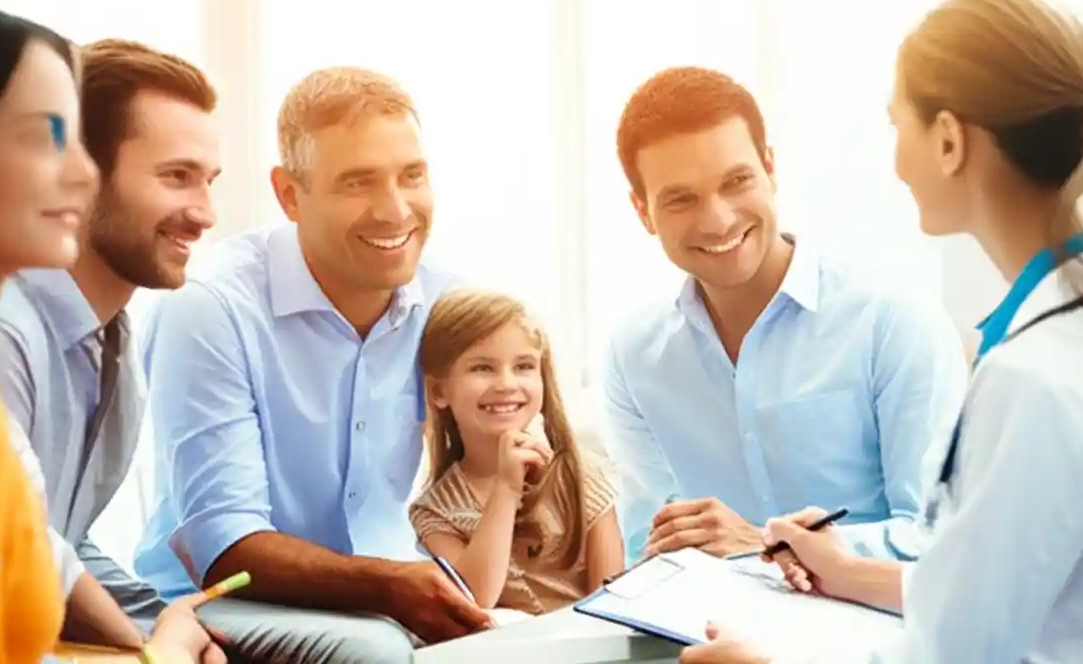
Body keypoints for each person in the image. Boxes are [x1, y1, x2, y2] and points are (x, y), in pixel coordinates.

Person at [681, 0, 1083, 664]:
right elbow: (1012, 588)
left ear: (947, 140)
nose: (895, 163)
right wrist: (850, 571)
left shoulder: (1037, 377)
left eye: (896, 127)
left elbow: (957, 652)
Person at [133, 66, 491, 662]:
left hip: (385, 594)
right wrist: (389, 586)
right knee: (375, 652)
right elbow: (225, 546)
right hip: (218, 603)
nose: (395, 210)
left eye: (412, 175)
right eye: (359, 182)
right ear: (290, 195)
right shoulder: (209, 310)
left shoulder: (448, 304)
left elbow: (506, 460)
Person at [0, 2, 210, 664]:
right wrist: (162, 655)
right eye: (44, 137)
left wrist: (153, 638)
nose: (84, 175)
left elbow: (51, 545)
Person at [603, 66, 968, 565]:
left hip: (873, 630)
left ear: (770, 170)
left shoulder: (893, 323)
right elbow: (651, 550)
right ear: (643, 211)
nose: (719, 219)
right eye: (681, 199)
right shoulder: (634, 355)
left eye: (737, 181)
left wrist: (766, 545)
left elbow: (940, 540)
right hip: (709, 634)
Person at [0, 38, 223, 661]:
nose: (206, 213)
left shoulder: (117, 345)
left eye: (209, 181)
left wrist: (169, 624)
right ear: (81, 173)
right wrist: (146, 646)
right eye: (177, 177)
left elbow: (67, 541)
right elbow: (8, 553)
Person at [410, 289, 625, 614]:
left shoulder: (583, 478)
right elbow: (473, 600)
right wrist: (507, 490)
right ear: (439, 391)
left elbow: (611, 604)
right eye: (482, 368)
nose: (506, 383)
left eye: (524, 366)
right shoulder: (435, 511)